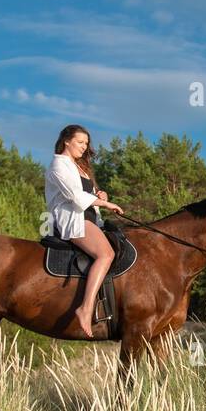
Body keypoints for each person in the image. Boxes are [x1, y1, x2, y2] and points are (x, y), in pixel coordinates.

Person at [44, 124, 124, 337]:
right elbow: (75, 196)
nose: (84, 146)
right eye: (80, 142)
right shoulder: (58, 164)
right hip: (71, 220)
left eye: (86, 143)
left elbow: (88, 195)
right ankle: (86, 307)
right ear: (67, 141)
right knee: (106, 254)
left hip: (89, 218)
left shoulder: (79, 167)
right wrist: (107, 204)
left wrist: (100, 196)